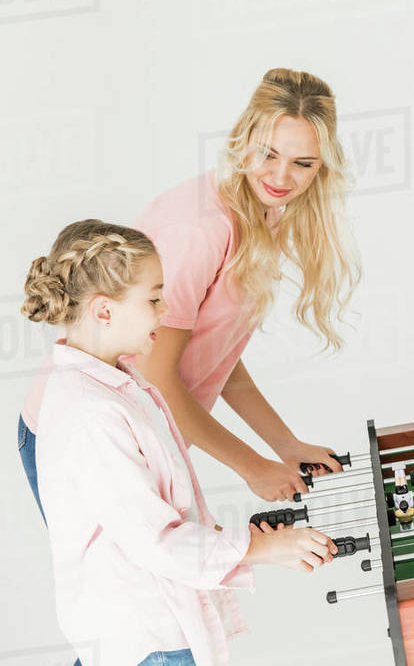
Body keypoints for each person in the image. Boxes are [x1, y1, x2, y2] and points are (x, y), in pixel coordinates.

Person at [21, 220, 338, 666]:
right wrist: (262, 548)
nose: (166, 310)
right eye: (153, 299)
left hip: (144, 626)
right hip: (147, 639)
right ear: (103, 311)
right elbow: (156, 541)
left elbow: (153, 517)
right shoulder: (91, 414)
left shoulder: (111, 385)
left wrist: (247, 542)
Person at [133, 67, 362, 502]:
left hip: (152, 439)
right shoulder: (203, 229)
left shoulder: (259, 212)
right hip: (95, 437)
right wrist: (252, 466)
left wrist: (284, 445)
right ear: (243, 138)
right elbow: (155, 376)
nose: (280, 177)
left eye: (303, 164)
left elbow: (213, 354)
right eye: (268, 154)